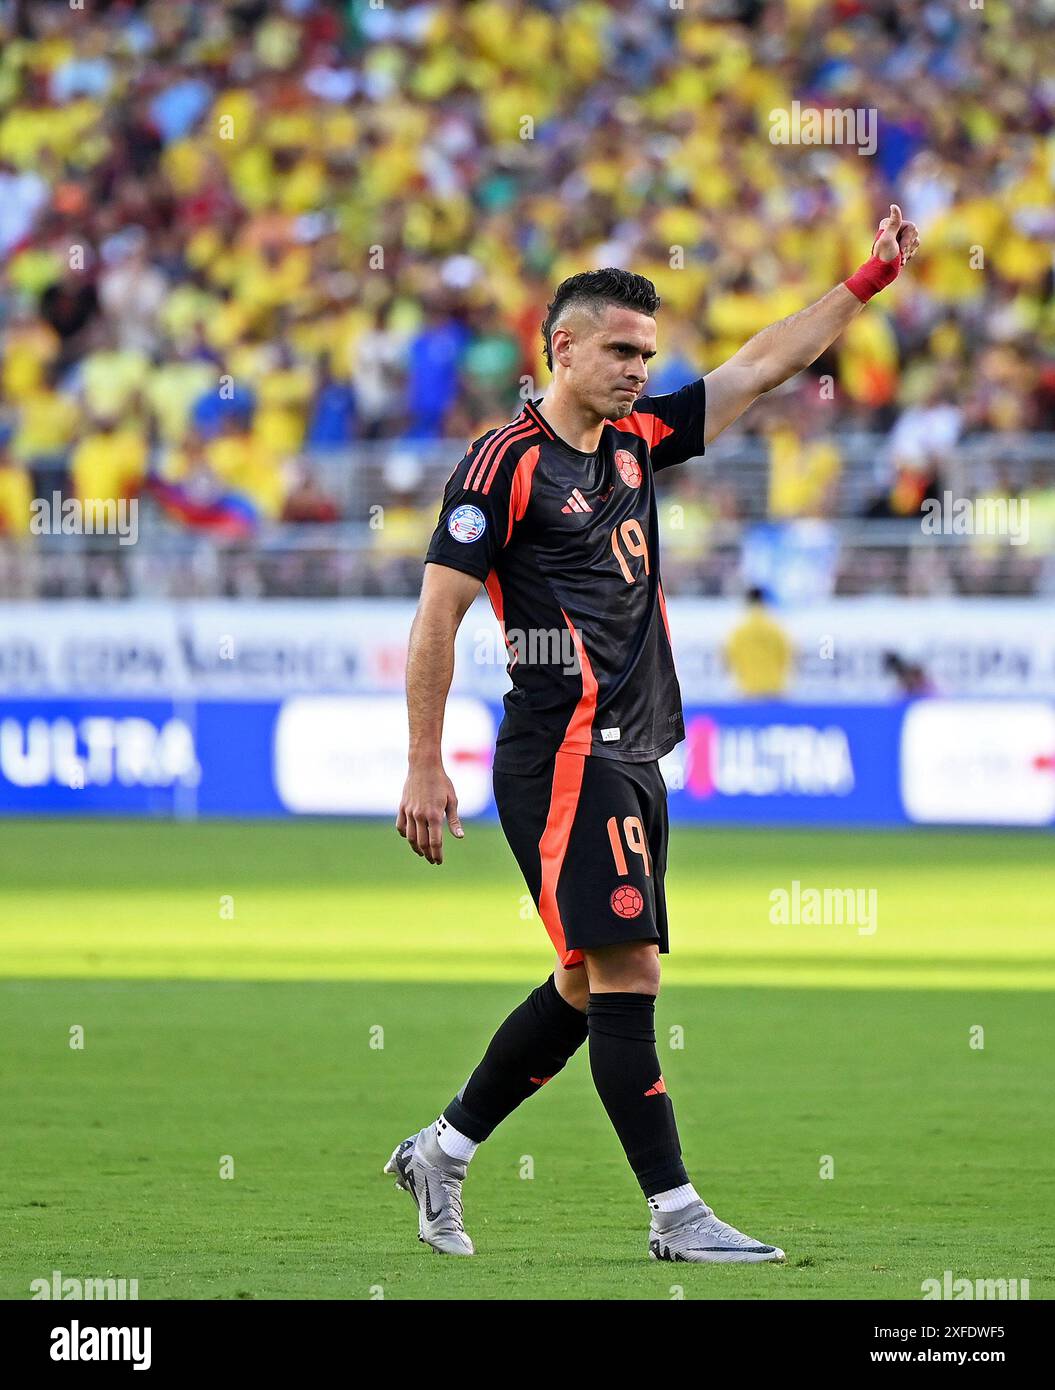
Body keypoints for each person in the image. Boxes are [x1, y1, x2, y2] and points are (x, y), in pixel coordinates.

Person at [391, 207, 920, 1262]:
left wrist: (864, 281)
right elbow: (436, 614)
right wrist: (422, 763)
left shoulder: (636, 443)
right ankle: (676, 1216)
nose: (639, 370)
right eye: (621, 351)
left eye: (646, 353)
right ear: (563, 348)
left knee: (585, 984)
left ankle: (441, 1149)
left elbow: (762, 364)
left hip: (633, 753)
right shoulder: (500, 466)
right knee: (628, 970)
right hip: (562, 755)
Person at [724, 587, 794, 698]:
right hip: (774, 689)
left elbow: (728, 659)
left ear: (747, 602)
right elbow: (787, 656)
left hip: (748, 690)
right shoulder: (776, 629)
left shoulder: (739, 631)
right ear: (764, 602)